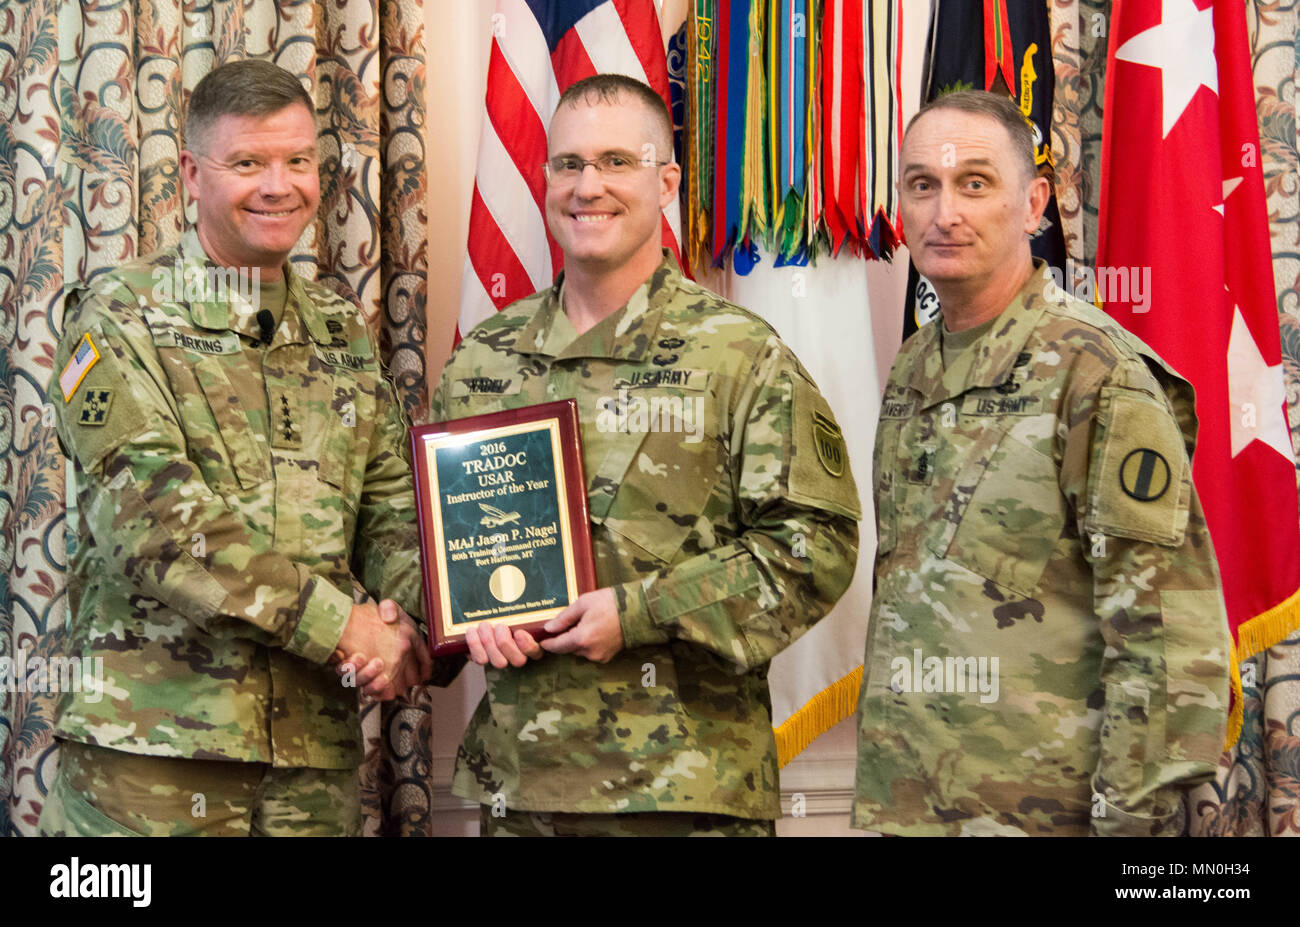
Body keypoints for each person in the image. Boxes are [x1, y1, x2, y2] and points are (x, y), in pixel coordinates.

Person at [432, 74, 861, 836]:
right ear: (544, 180)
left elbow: (814, 547)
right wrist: (461, 619)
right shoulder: (483, 361)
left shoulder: (739, 354)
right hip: (522, 789)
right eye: (568, 164)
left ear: (666, 182)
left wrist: (640, 611)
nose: (587, 186)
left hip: (687, 793)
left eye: (615, 162)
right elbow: (423, 539)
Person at [39, 58, 430, 837]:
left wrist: (412, 622)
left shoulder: (339, 330)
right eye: (247, 162)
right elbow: (153, 521)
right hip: (151, 763)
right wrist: (345, 628)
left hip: (310, 773)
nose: (278, 185)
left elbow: (390, 513)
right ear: (190, 172)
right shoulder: (116, 317)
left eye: (297, 161)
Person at [853, 90, 1231, 836]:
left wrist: (1126, 827)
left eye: (975, 183)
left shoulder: (1097, 374)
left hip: (1046, 817)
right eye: (922, 184)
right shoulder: (915, 366)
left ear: (1035, 204)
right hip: (908, 804)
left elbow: (1165, 638)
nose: (944, 213)